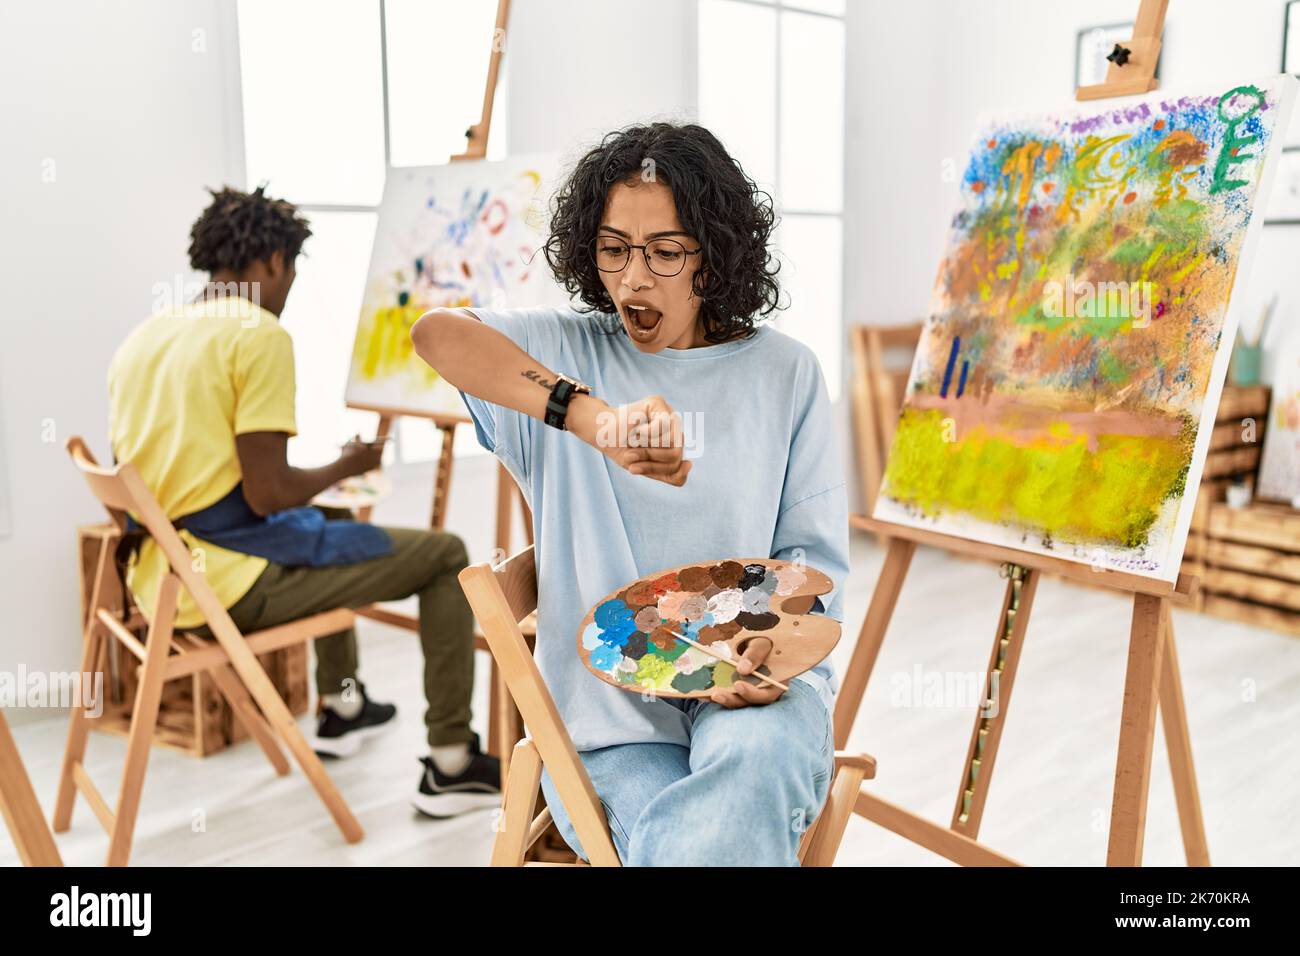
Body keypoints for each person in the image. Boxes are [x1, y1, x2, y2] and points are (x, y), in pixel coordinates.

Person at [411, 122, 849, 864]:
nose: (633, 280)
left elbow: (809, 562)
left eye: (665, 252)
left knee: (751, 776)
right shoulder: (568, 351)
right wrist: (591, 418)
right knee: (703, 843)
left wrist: (766, 656)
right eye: (613, 249)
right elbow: (436, 334)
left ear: (714, 257)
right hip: (614, 733)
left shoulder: (788, 374)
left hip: (757, 698)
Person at [107, 185, 499, 818]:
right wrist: (348, 463)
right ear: (269, 263)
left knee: (334, 515)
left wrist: (327, 485)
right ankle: (453, 762)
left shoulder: (146, 338)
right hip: (227, 584)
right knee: (446, 554)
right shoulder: (257, 335)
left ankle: (343, 705)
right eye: (289, 273)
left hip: (160, 580)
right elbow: (269, 494)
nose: (288, 291)